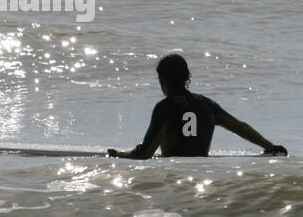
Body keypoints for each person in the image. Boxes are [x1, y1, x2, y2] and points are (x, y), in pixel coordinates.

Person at [107, 54, 287, 158]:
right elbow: (239, 127)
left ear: (163, 80)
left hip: (175, 175)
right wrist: (270, 147)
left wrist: (119, 155)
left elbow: (145, 153)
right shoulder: (207, 104)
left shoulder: (164, 108)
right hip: (201, 169)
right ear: (186, 77)